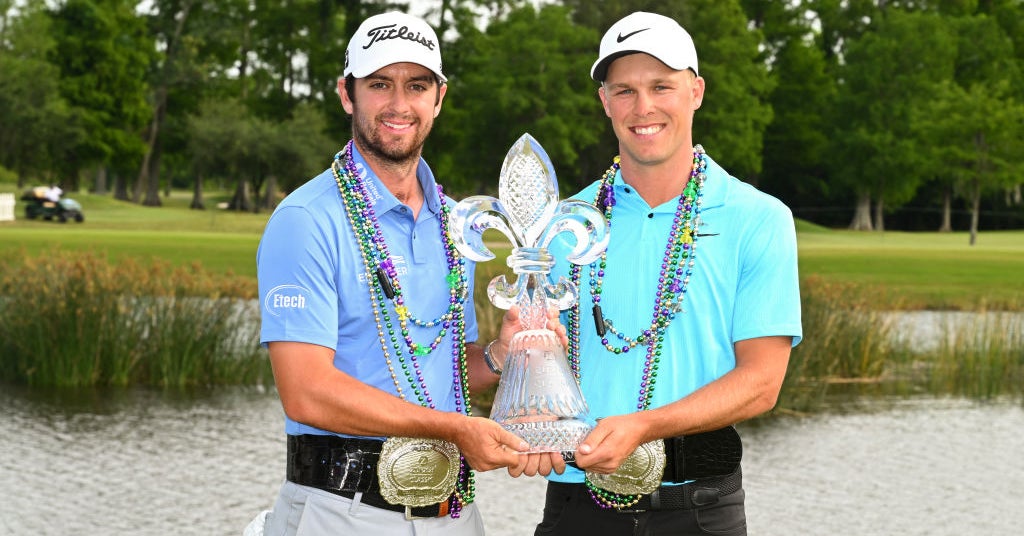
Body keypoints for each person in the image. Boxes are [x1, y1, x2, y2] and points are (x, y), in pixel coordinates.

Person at [253, 11, 556, 536]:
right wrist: (456, 430)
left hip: (453, 515)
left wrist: (501, 356)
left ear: (438, 98)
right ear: (347, 95)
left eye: (416, 86)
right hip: (340, 510)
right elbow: (306, 391)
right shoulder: (305, 221)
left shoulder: (456, 222)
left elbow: (443, 372)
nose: (398, 104)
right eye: (379, 85)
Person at [538, 12, 803, 536]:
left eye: (662, 86)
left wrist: (644, 427)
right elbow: (542, 362)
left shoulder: (759, 217)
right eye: (625, 90)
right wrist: (530, 407)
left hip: (701, 510)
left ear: (697, 91)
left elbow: (761, 384)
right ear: (605, 102)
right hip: (576, 507)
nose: (644, 107)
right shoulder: (563, 223)